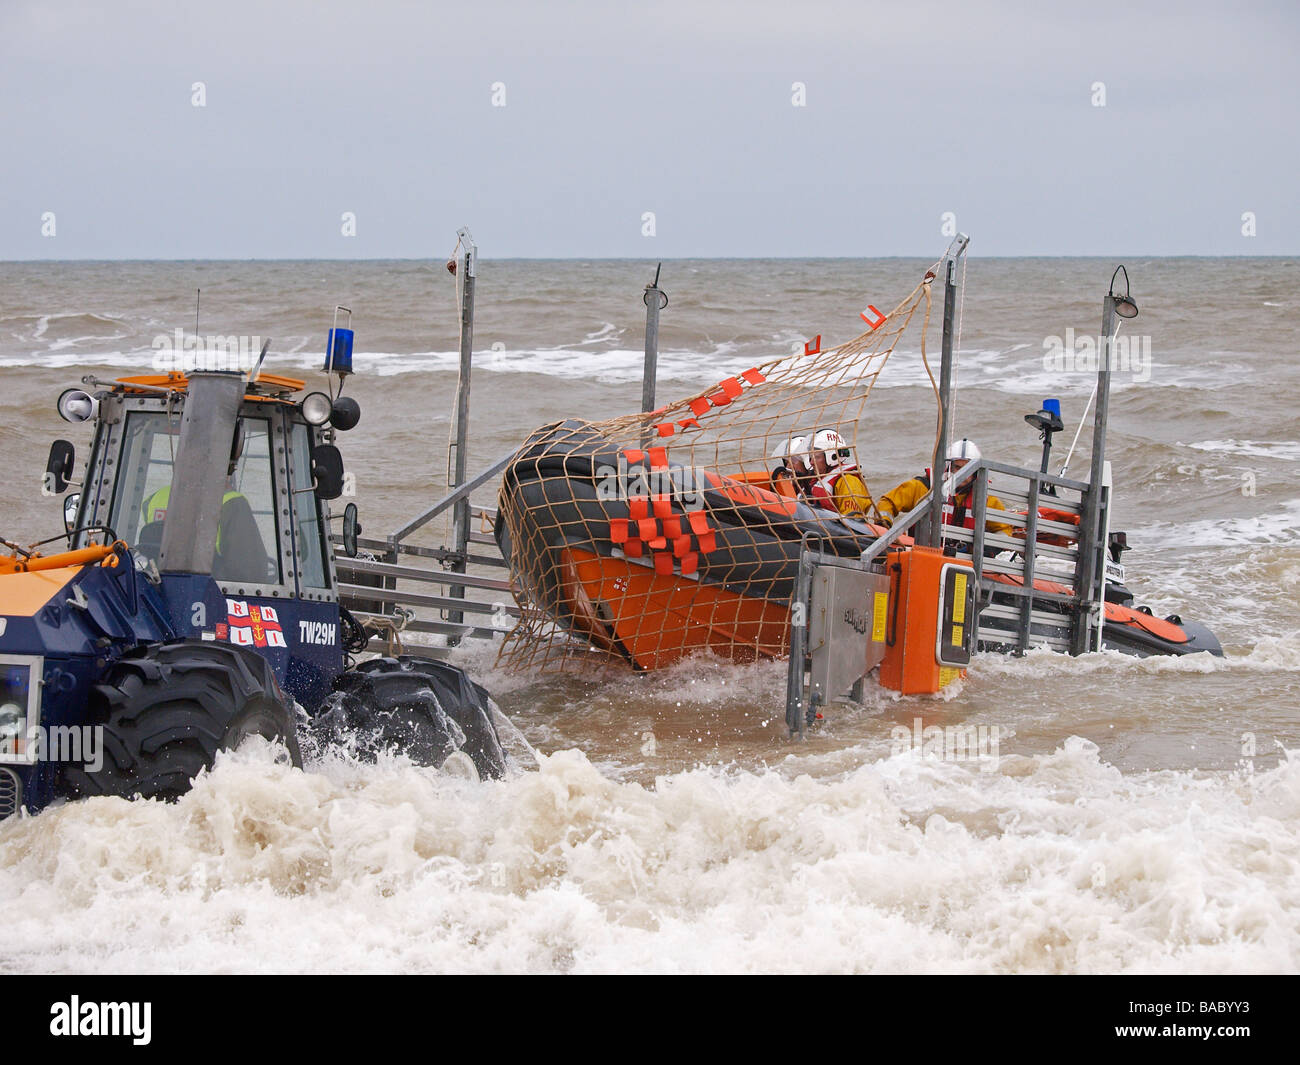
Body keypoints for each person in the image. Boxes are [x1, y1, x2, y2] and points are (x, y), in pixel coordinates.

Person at [876, 439, 1015, 542]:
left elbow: (1004, 529)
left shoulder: (986, 500)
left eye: (968, 469)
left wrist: (990, 547)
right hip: (922, 554)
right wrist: (884, 525)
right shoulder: (924, 488)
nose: (962, 475)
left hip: (964, 560)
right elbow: (888, 502)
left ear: (977, 472)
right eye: (958, 468)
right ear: (948, 466)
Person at [808, 428, 873, 518]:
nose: (811, 462)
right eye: (811, 457)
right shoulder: (815, 480)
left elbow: (853, 522)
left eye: (817, 457)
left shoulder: (849, 482)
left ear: (832, 457)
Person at [770, 435, 816, 499]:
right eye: (786, 462)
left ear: (806, 463)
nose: (788, 467)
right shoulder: (790, 486)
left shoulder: (816, 489)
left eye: (793, 462)